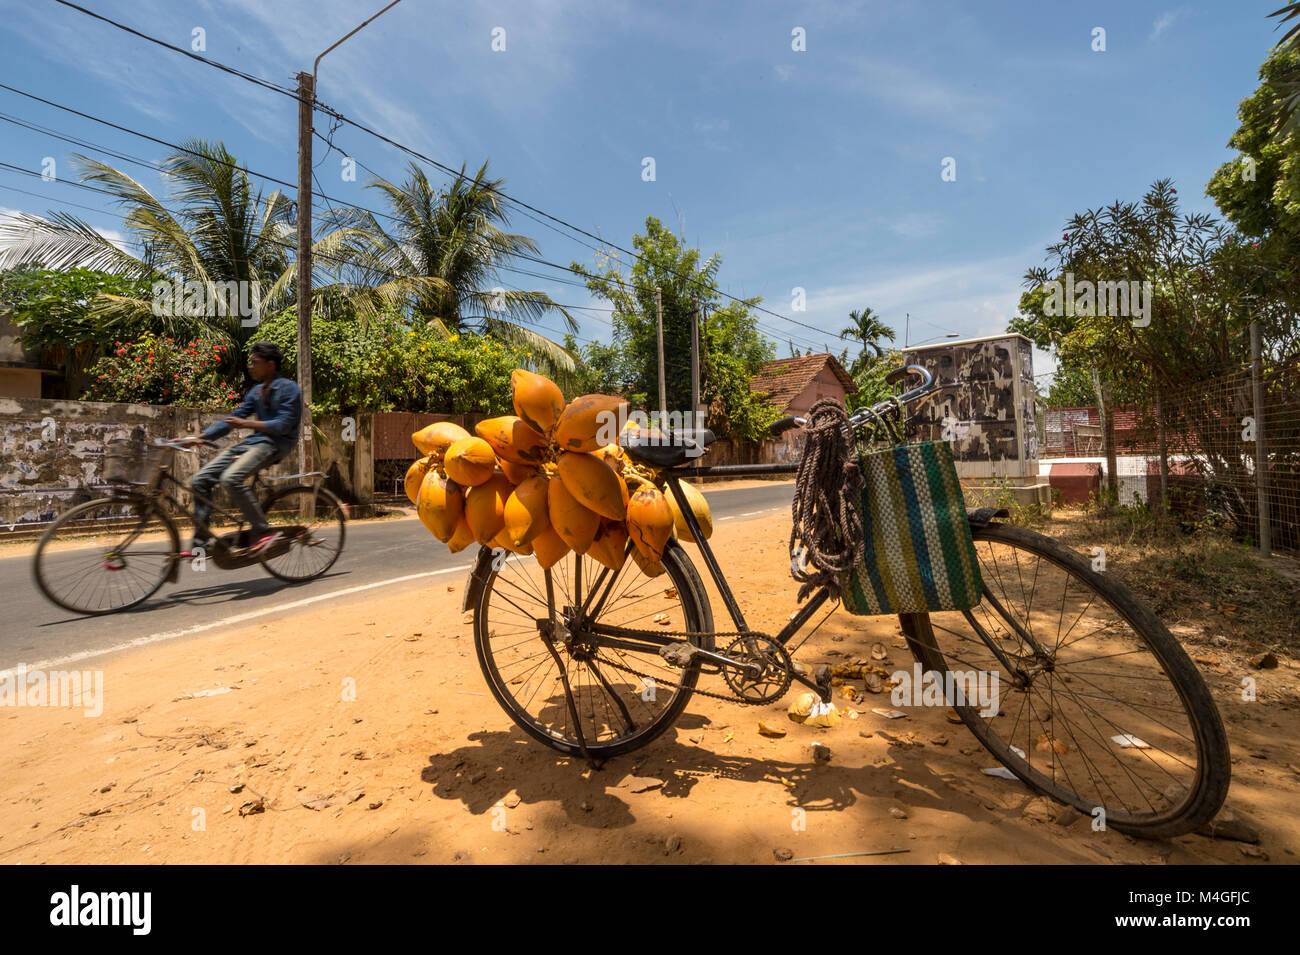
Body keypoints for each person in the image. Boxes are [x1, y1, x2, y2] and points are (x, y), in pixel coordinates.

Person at [174, 341, 302, 556]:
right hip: (253, 444)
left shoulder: (289, 389)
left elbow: (284, 425)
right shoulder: (256, 392)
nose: (251, 366)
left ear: (270, 365)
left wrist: (247, 424)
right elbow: (232, 420)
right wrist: (199, 438)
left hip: (274, 444)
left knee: (230, 478)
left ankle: (263, 532)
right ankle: (201, 542)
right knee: (199, 480)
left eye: (255, 362)